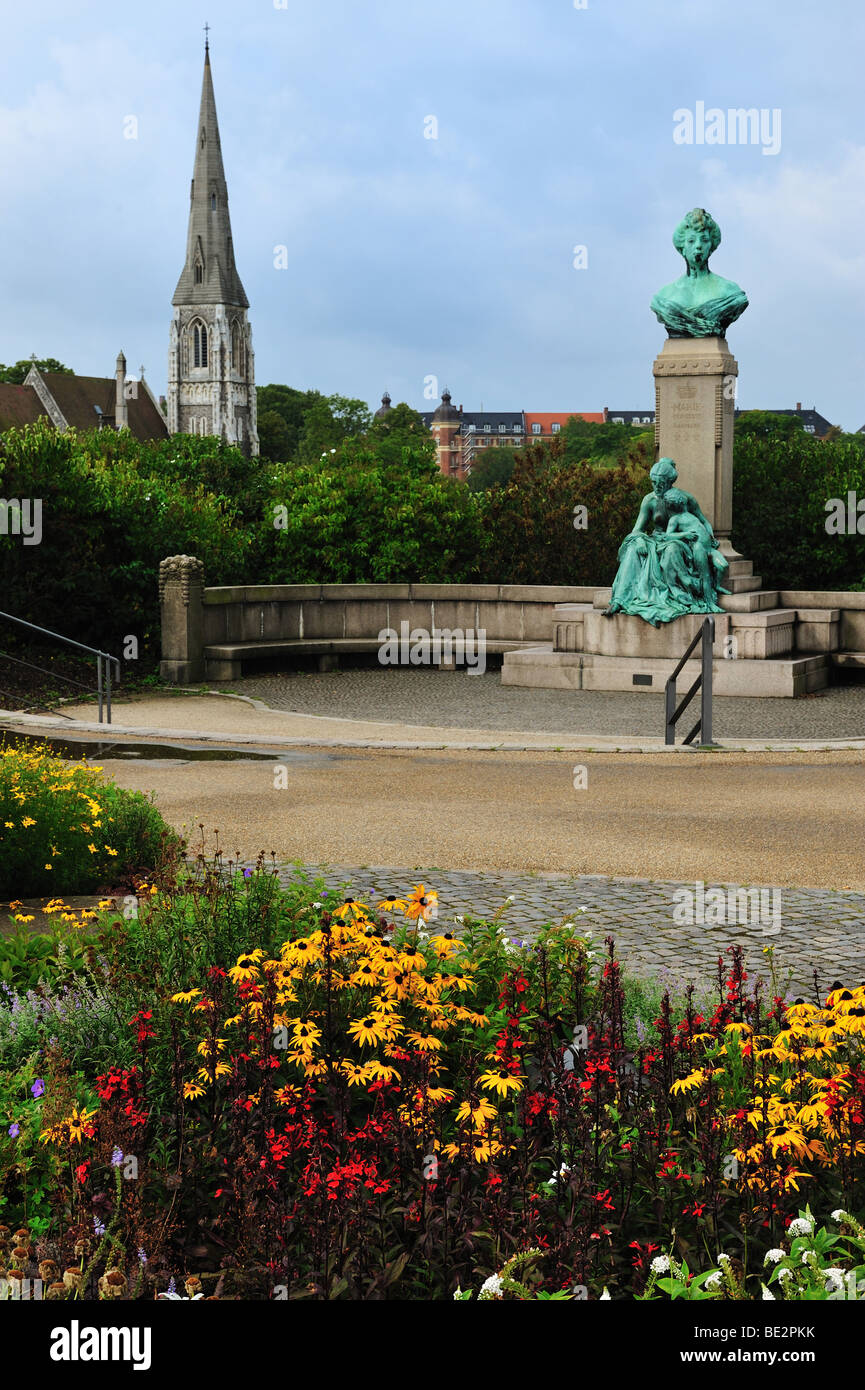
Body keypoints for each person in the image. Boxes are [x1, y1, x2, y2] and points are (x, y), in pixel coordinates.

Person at [605, 458, 729, 625]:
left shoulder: (684, 499)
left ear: (670, 481)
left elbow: (702, 520)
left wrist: (709, 538)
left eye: (660, 483)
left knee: (672, 550)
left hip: (679, 540)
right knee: (633, 548)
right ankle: (619, 600)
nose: (656, 486)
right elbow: (637, 530)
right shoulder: (649, 500)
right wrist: (640, 540)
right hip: (655, 539)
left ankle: (680, 592)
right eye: (653, 482)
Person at [650, 208, 748, 338]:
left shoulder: (730, 291)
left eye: (704, 240)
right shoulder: (664, 296)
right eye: (691, 240)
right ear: (682, 248)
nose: (698, 245)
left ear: (711, 247)